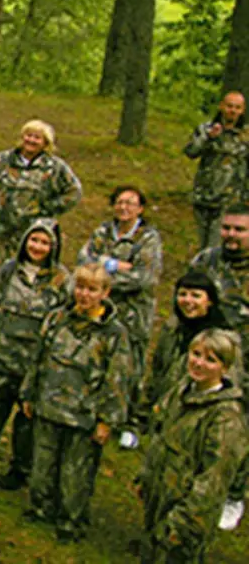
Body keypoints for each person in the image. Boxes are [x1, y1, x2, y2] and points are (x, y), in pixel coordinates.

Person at [19, 263, 134, 543]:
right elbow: (38, 358)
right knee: (42, 465)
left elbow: (117, 379)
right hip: (48, 406)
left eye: (92, 289)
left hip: (84, 417)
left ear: (105, 292)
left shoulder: (114, 333)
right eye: (80, 287)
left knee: (76, 475)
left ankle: (71, 521)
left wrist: (107, 420)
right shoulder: (57, 319)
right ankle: (40, 508)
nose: (84, 295)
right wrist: (28, 393)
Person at [0, 218, 70, 491]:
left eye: (45, 242)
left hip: (34, 363)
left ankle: (20, 468)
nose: (38, 246)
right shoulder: (9, 270)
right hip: (2, 355)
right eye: (34, 240)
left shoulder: (62, 280)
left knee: (27, 421)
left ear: (54, 247)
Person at [137, 329, 248, 563]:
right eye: (196, 354)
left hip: (186, 517)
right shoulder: (181, 391)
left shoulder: (226, 417)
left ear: (225, 368)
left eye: (211, 360)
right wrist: (146, 476)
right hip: (160, 498)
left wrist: (182, 522)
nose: (199, 363)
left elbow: (213, 481)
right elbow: (161, 436)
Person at [77, 185, 163, 450]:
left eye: (130, 203)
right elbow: (84, 259)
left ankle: (129, 423)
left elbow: (144, 277)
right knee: (100, 361)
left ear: (140, 208)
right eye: (120, 202)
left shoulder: (148, 238)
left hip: (133, 315)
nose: (123, 208)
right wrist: (114, 265)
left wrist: (103, 270)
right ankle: (100, 414)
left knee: (131, 368)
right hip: (102, 310)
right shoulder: (103, 231)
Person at [189, 202, 249, 531]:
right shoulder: (206, 260)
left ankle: (234, 494)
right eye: (227, 228)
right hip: (203, 359)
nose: (231, 235)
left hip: (244, 367)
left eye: (239, 229)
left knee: (236, 435)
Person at [133, 272, 233, 439]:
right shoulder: (172, 329)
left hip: (198, 426)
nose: (188, 301)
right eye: (182, 294)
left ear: (210, 301)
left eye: (196, 296)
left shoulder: (223, 341)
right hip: (164, 419)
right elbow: (157, 372)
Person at [0, 119, 82, 261]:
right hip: (5, 228)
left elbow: (75, 191)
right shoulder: (6, 159)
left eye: (37, 137)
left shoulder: (55, 167)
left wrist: (48, 207)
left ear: (46, 143)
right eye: (28, 135)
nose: (31, 140)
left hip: (36, 234)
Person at [184, 91, 249, 250]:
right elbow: (191, 152)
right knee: (203, 245)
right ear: (221, 106)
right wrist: (208, 138)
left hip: (230, 199)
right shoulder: (206, 129)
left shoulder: (246, 136)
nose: (232, 110)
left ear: (243, 110)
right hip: (203, 196)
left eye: (237, 107)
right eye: (229, 106)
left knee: (217, 245)